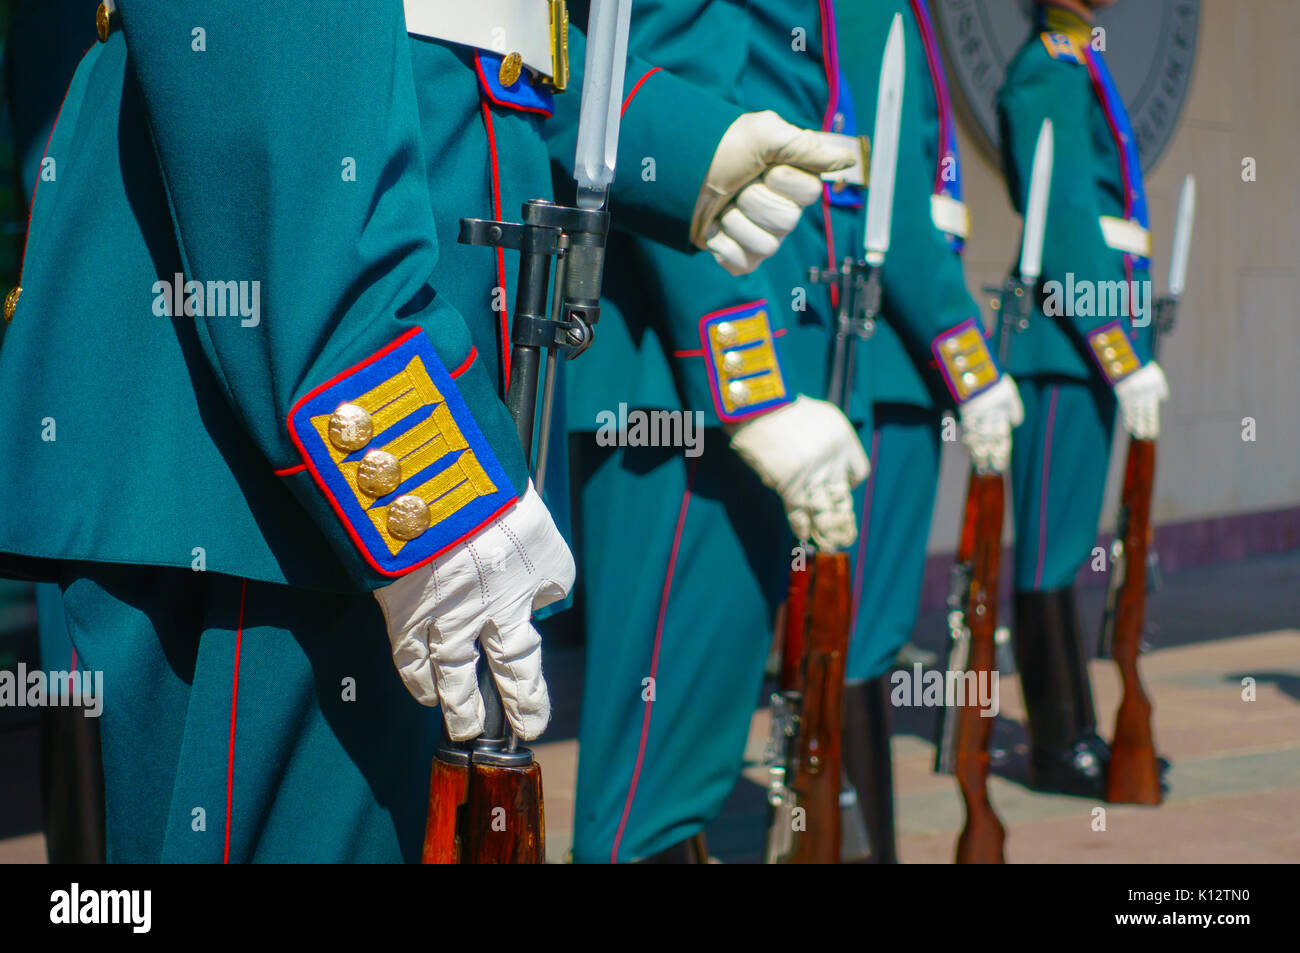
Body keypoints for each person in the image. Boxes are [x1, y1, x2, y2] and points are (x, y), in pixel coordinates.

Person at [0, 0, 844, 862]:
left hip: (407, 339)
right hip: (286, 405)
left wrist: (671, 140)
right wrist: (412, 449)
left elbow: (493, 26)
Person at [563, 0, 874, 864]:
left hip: (720, 379)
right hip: (680, 390)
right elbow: (664, 125)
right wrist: (755, 394)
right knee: (649, 796)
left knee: (685, 769)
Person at [832, 0, 1023, 863]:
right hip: (888, 353)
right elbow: (900, 214)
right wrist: (970, 365)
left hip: (895, 350)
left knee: (864, 627)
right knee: (859, 633)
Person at [997, 0, 1169, 797]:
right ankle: (1057, 742)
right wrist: (1117, 351)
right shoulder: (1046, 73)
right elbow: (1067, 227)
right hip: (1063, 349)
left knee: (1066, 546)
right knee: (1048, 551)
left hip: (1087, 343)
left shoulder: (1077, 65)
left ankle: (1077, 730)